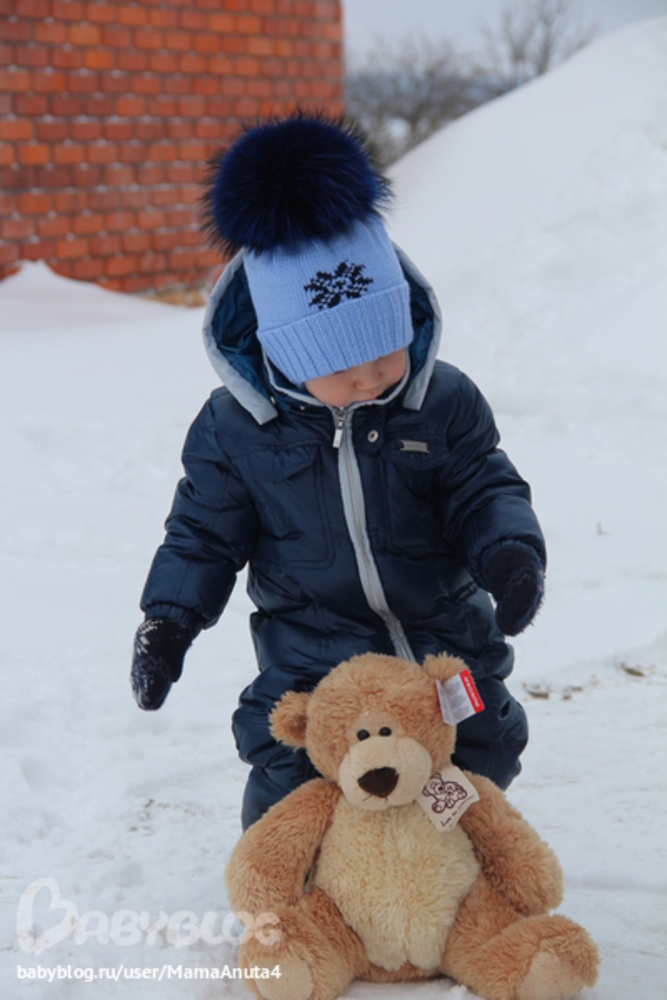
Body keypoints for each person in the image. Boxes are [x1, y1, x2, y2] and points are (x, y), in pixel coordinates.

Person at [130, 113, 546, 831]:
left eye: (385, 354)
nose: (370, 379)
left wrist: (509, 554)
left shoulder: (440, 401)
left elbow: (484, 485)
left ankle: (455, 864)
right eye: (340, 367)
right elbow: (202, 535)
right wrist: (167, 622)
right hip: (312, 654)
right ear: (281, 353)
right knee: (289, 760)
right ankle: (300, 893)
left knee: (481, 747)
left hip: (441, 643)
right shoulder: (235, 430)